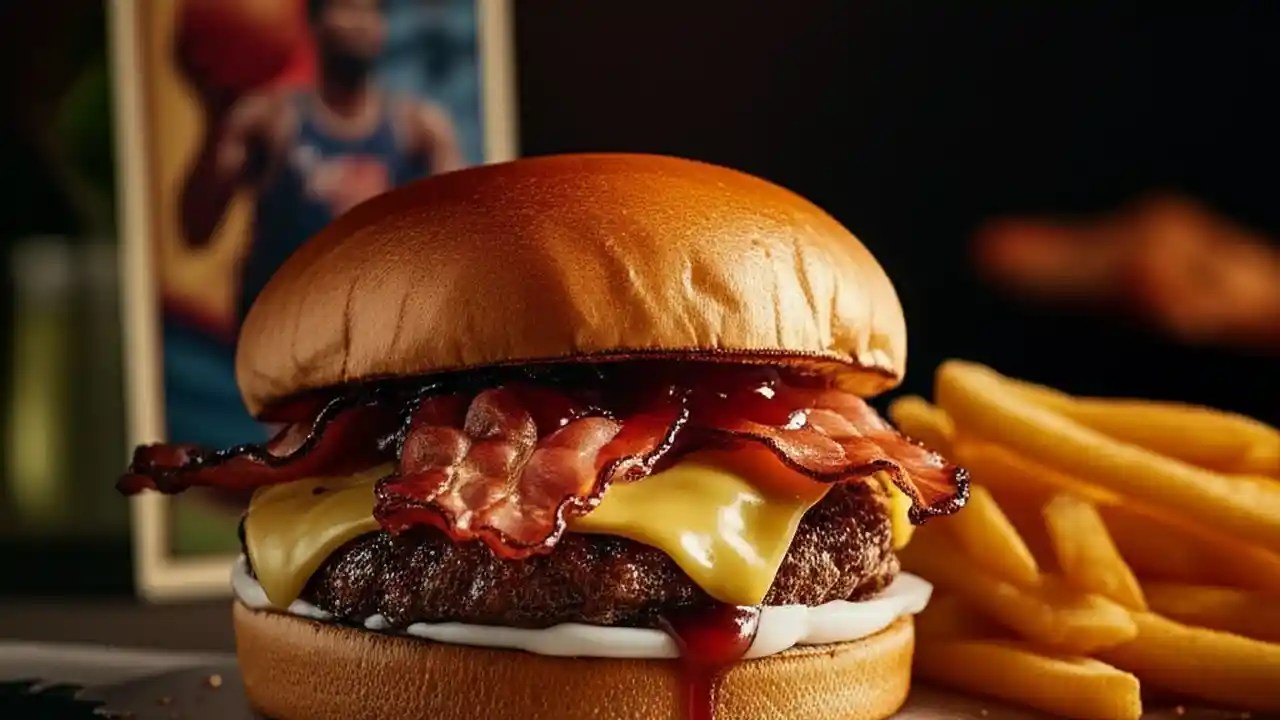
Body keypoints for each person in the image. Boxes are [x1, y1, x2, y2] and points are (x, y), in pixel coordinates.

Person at [180, 0, 465, 324]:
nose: (361, 22)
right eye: (347, 8)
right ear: (314, 22)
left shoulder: (419, 130)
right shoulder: (269, 121)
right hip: (284, 334)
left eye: (371, 11)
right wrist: (215, 120)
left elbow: (463, 243)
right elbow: (195, 231)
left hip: (375, 333)